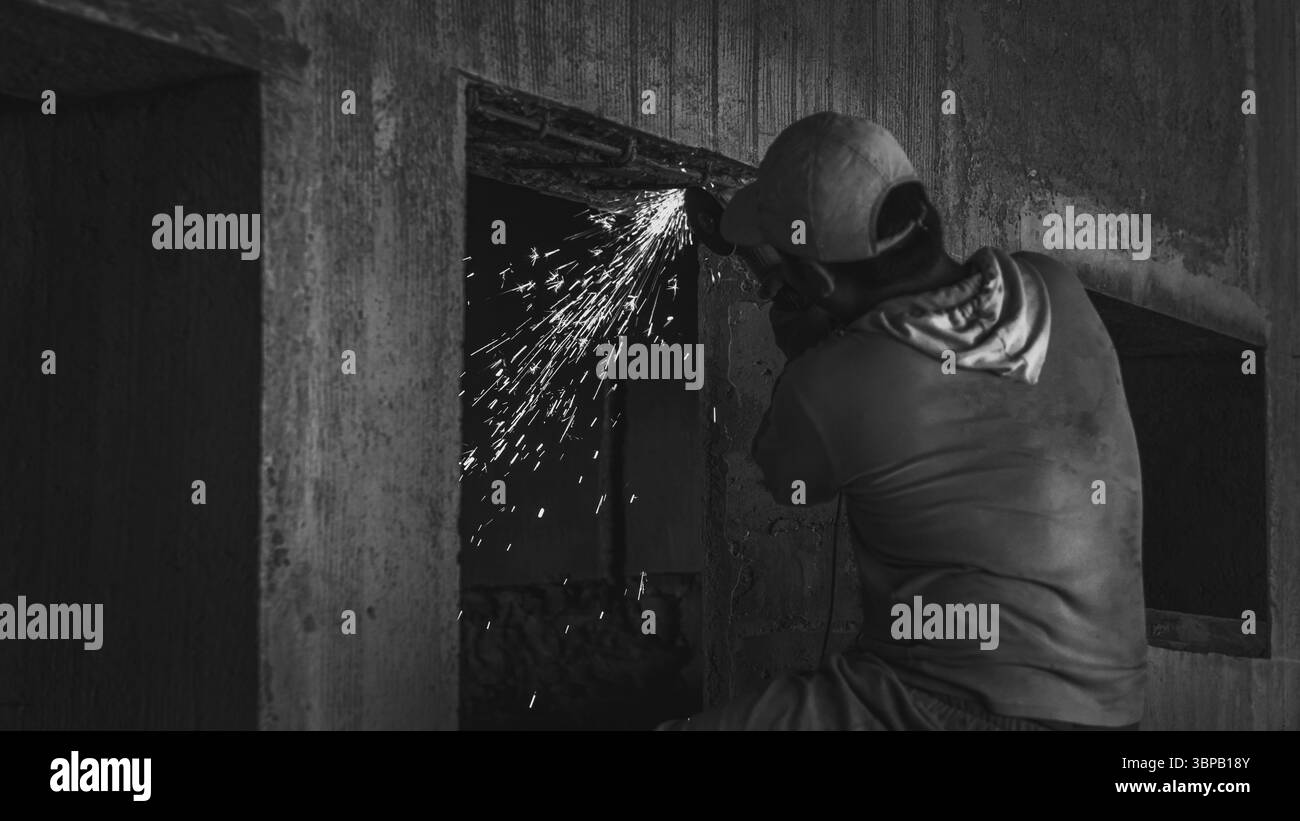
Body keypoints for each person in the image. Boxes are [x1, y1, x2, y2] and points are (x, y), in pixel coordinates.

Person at [659, 112, 1146, 730]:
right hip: (1112, 712)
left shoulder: (830, 383)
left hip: (951, 707)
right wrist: (833, 325)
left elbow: (785, 476)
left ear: (815, 279)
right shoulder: (1052, 283)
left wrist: (810, 350)